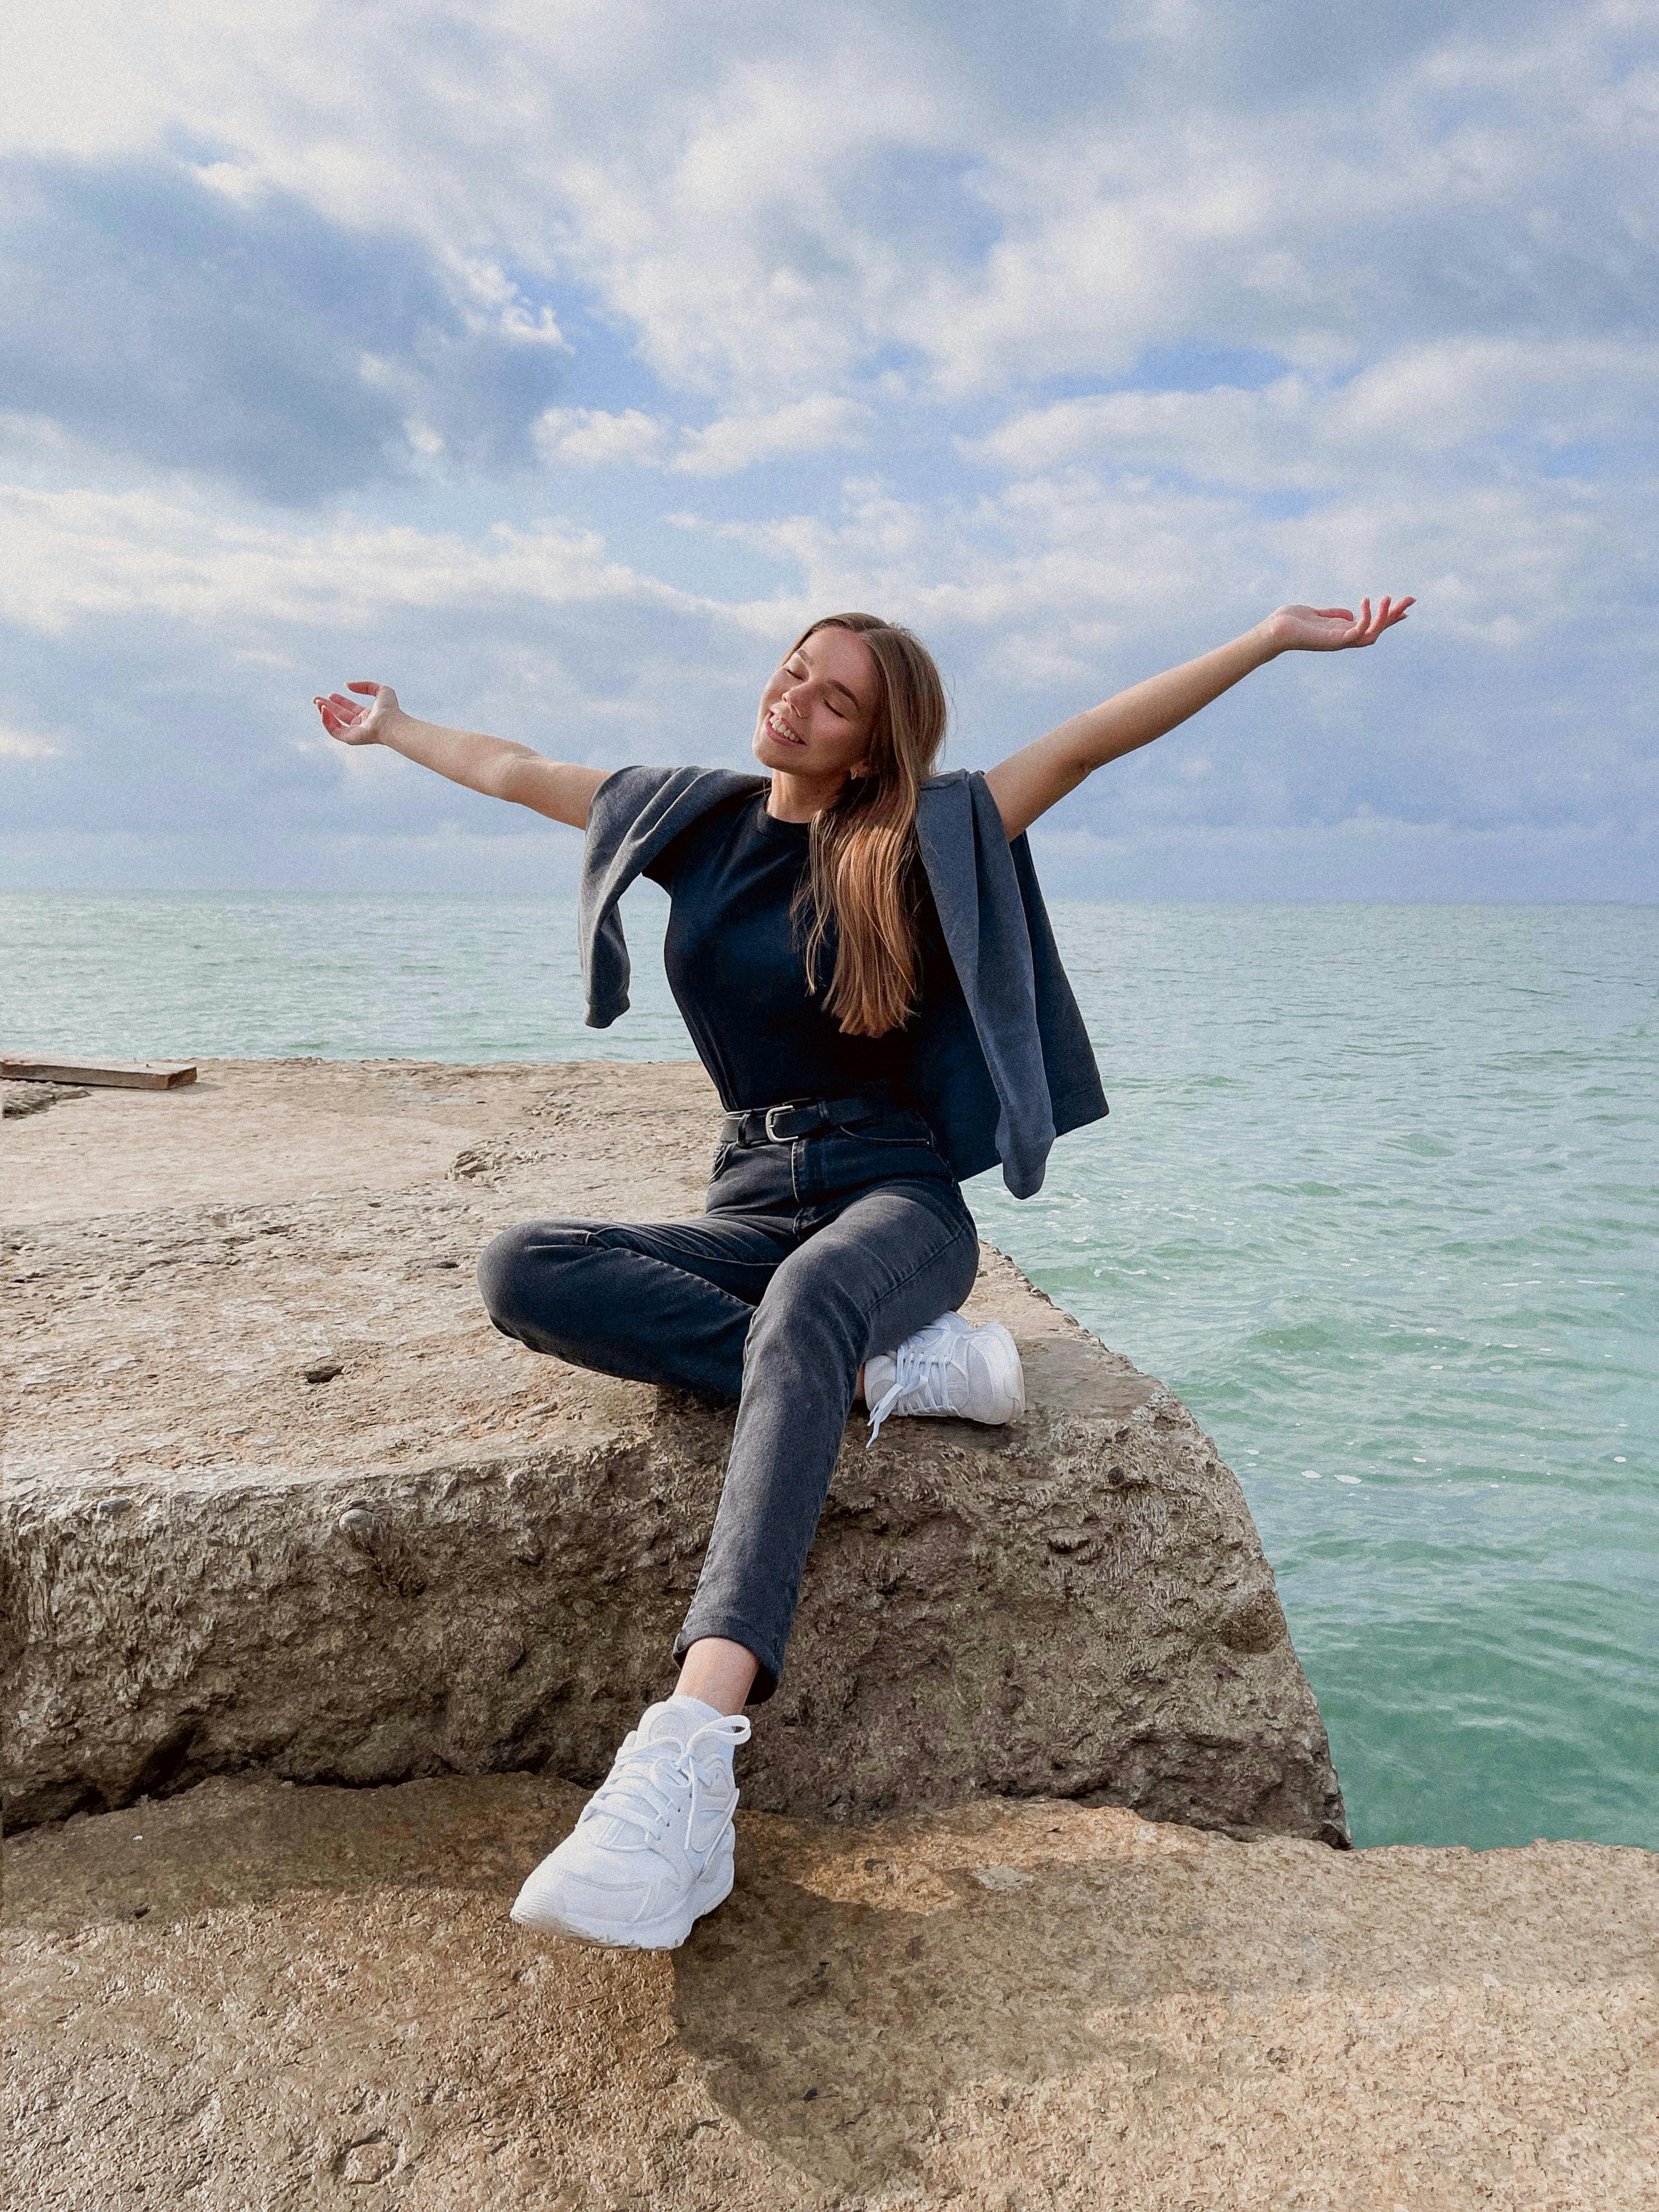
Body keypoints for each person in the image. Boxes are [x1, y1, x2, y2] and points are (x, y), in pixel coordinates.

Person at [312, 590, 1410, 1951]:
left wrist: (1266, 637)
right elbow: (516, 768)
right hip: (751, 1194)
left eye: (836, 699)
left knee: (805, 1309)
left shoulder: (915, 836)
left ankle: (692, 1748)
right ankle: (888, 1371)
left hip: (897, 1200)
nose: (798, 700)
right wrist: (396, 725)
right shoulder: (690, 818)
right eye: (794, 673)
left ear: (873, 742)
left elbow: (1082, 746)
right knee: (524, 1265)